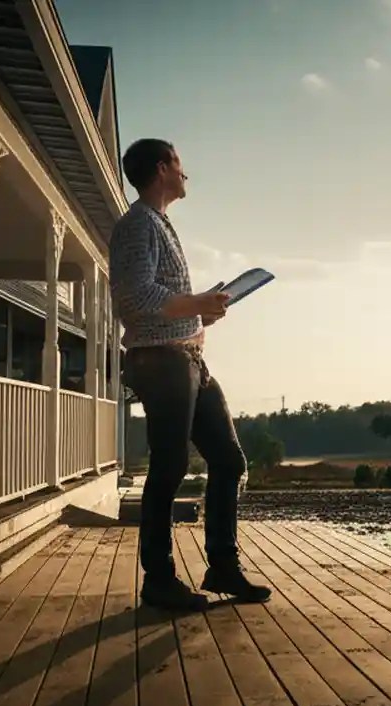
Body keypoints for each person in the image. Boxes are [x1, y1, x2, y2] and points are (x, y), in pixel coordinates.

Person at [109, 138, 271, 611]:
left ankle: (222, 566)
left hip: (188, 359)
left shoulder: (158, 223)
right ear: (162, 169)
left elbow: (159, 299)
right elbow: (136, 299)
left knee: (228, 460)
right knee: (170, 466)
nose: (186, 175)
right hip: (161, 362)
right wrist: (198, 304)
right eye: (180, 166)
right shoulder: (137, 224)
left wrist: (200, 313)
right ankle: (158, 580)